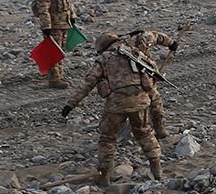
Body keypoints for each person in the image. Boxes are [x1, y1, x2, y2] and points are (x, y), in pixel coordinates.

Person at [61, 34, 163, 186]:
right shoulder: (135, 54)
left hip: (116, 105)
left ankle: (104, 177)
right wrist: (155, 105)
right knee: (145, 133)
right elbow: (150, 78)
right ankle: (156, 169)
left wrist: (70, 105)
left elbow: (87, 84)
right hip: (140, 101)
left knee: (108, 139)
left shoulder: (104, 59)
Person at [122, 28, 180, 141]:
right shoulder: (124, 46)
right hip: (131, 75)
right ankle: (152, 127)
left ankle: (156, 127)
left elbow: (158, 37)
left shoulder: (141, 39)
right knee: (151, 98)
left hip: (140, 74)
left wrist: (171, 43)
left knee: (151, 97)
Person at [32, 0, 77, 87]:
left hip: (64, 22)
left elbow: (68, 1)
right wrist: (46, 27)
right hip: (53, 25)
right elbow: (43, 8)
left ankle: (60, 75)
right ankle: (54, 79)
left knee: (61, 51)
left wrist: (72, 16)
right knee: (53, 52)